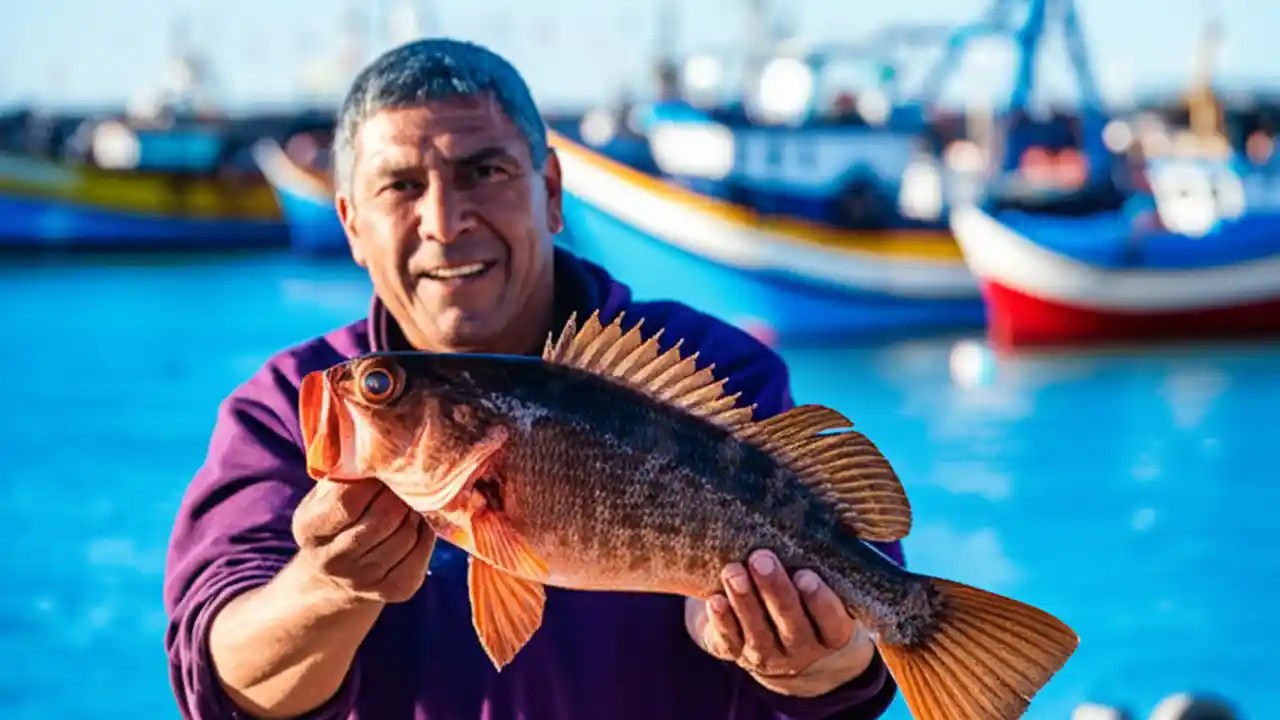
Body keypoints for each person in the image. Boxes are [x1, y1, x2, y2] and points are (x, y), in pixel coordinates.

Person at [163, 38, 905, 720]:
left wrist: (816, 662)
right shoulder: (284, 409)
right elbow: (220, 677)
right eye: (400, 187)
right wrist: (328, 586)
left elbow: (855, 649)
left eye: (481, 171)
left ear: (551, 190)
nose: (446, 221)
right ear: (351, 224)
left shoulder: (718, 370)